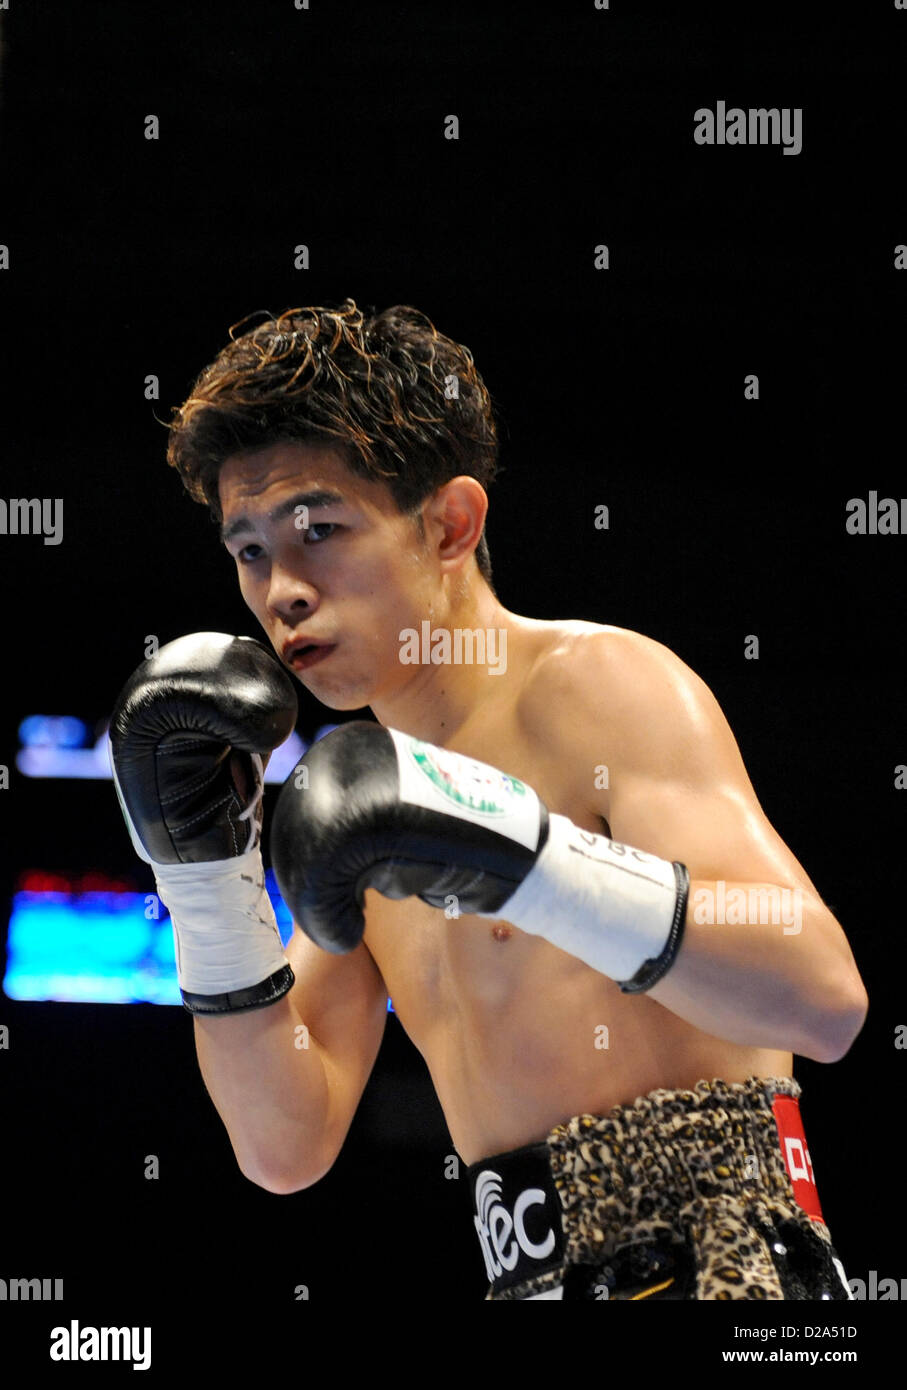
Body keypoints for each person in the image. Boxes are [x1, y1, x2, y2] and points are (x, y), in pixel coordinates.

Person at [109, 298, 868, 1300]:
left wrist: (528, 859)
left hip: (727, 1273)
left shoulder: (598, 687)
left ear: (450, 523)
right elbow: (282, 1143)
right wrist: (203, 881)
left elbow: (823, 997)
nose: (281, 588)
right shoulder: (357, 797)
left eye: (319, 529)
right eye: (248, 550)